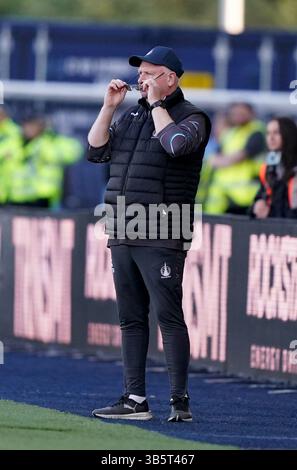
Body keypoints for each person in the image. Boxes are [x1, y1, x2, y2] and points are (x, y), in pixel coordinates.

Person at [88, 46, 211, 422]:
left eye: (149, 74)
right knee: (130, 318)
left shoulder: (192, 117)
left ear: (170, 79)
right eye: (140, 74)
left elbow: (176, 146)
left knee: (168, 316)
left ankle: (180, 401)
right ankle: (135, 399)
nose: (141, 80)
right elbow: (95, 151)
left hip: (163, 228)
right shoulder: (132, 115)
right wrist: (109, 106)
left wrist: (158, 107)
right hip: (124, 224)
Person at [204, 102, 265, 215]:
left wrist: (219, 161)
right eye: (235, 113)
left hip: (246, 197)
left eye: (242, 113)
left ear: (251, 114)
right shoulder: (231, 133)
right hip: (224, 197)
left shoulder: (257, 131)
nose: (238, 115)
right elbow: (216, 155)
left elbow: (241, 155)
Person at [251, 117, 297, 219]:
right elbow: (262, 195)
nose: (271, 138)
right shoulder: (268, 166)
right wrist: (258, 205)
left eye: (276, 133)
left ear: (288, 134)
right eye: (268, 133)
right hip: (275, 229)